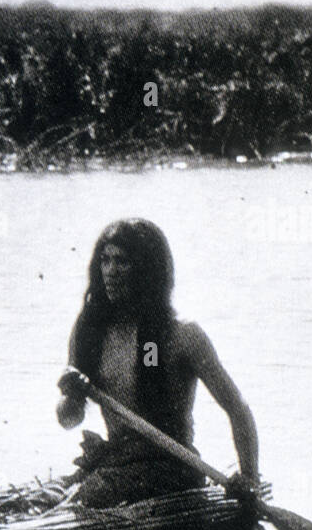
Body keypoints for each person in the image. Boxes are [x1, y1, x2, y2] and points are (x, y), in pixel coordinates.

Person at [56, 218, 260, 508]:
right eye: (105, 260)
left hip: (169, 469)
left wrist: (249, 478)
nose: (110, 273)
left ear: (146, 271)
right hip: (116, 463)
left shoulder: (181, 336)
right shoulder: (89, 333)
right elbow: (68, 420)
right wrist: (72, 396)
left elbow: (237, 409)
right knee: (50, 496)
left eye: (122, 262)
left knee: (82, 501)